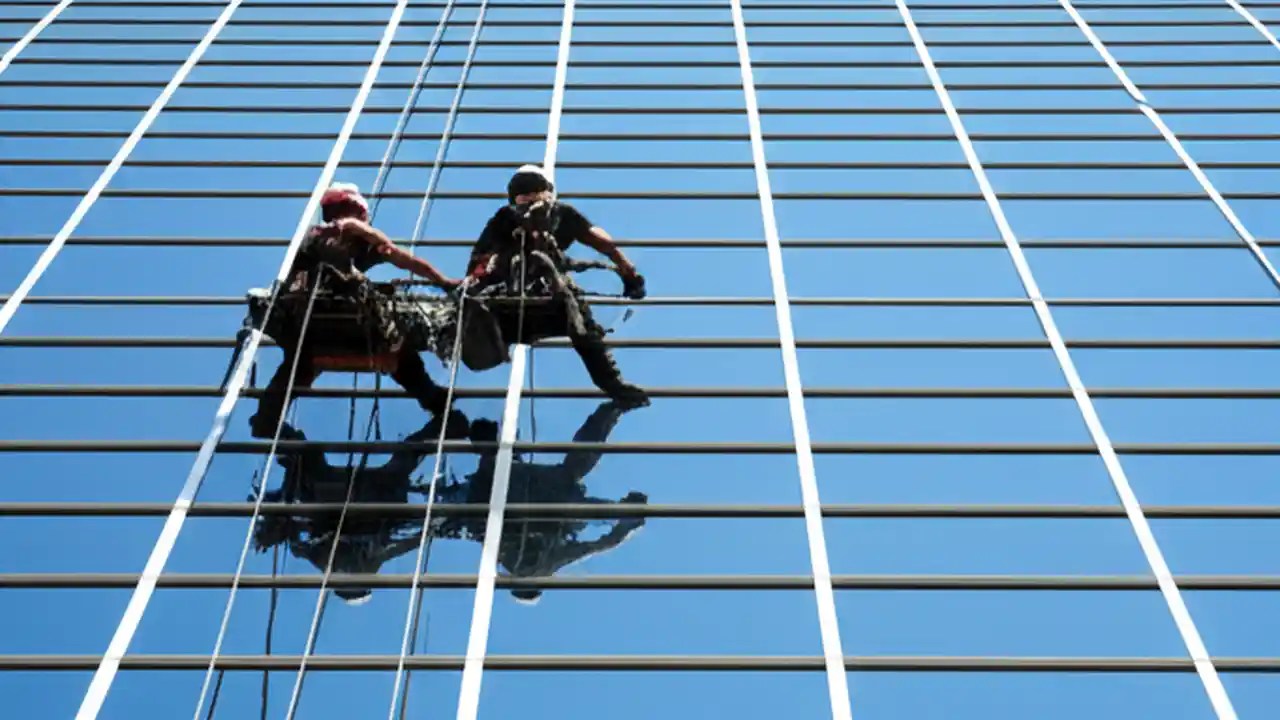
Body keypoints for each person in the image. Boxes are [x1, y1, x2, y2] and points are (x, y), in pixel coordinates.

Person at [248, 182, 469, 441]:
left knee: (392, 349)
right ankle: (270, 416)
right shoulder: (319, 236)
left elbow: (402, 259)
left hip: (335, 320)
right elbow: (362, 244)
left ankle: (431, 398)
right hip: (319, 310)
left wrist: (442, 281)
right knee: (382, 339)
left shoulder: (361, 242)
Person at [464, 165, 650, 409]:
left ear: (547, 194)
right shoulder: (505, 220)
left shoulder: (561, 215)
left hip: (548, 300)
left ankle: (612, 383)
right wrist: (478, 284)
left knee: (578, 315)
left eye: (535, 191)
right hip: (510, 300)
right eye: (523, 196)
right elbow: (480, 261)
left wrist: (628, 272)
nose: (530, 202)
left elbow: (600, 241)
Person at [440, 399, 648, 604]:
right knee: (569, 485)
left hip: (528, 492)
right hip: (533, 493)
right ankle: (610, 412)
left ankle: (610, 411)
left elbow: (598, 544)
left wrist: (626, 522)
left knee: (570, 482)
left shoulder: (537, 563)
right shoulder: (534, 563)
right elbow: (597, 544)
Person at [251, 420, 449, 605]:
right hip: (371, 496)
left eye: (344, 583)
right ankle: (445, 424)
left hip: (344, 497)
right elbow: (409, 540)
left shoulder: (322, 558)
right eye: (354, 583)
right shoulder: (371, 557)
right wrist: (434, 524)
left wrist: (277, 530)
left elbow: (298, 540)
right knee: (404, 459)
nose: (347, 576)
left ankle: (278, 429)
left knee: (308, 467)